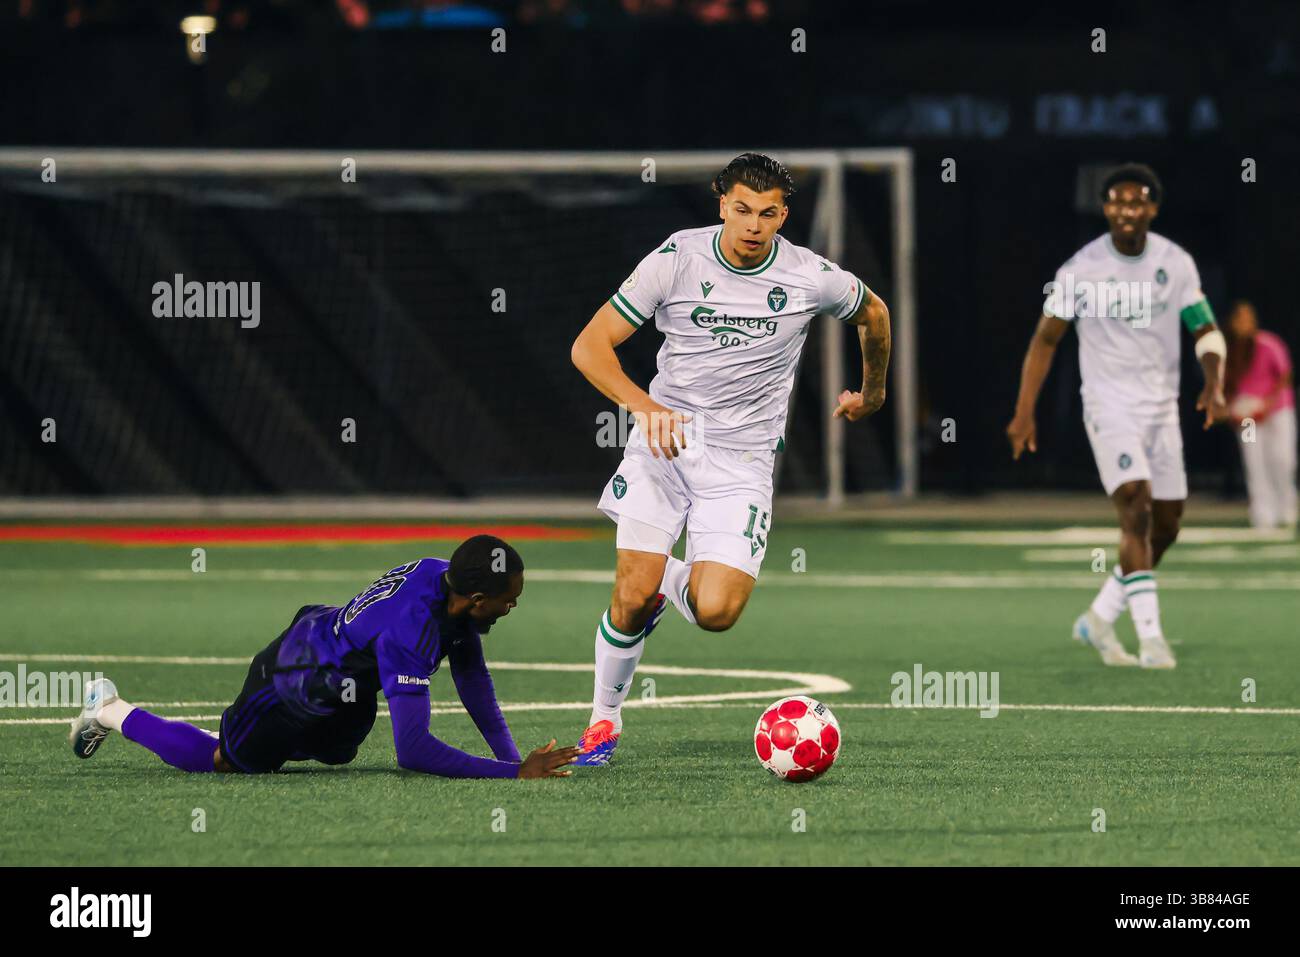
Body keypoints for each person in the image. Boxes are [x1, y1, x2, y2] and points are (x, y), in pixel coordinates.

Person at [568, 152, 891, 764]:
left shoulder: (808, 276)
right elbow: (589, 347)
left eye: (767, 214)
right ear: (722, 205)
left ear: (783, 217)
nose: (753, 225)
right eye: (742, 210)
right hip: (665, 439)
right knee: (629, 596)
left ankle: (662, 578)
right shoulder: (676, 258)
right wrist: (644, 408)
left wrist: (873, 392)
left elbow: (873, 311)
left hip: (742, 460)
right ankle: (603, 720)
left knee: (716, 612)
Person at [69, 535, 579, 779]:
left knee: (340, 751)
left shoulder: (446, 577)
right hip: (291, 679)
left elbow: (472, 677)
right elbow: (414, 751)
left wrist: (514, 757)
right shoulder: (412, 630)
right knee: (224, 760)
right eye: (508, 599)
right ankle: (109, 709)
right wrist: (512, 774)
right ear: (474, 600)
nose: (512, 606)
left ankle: (272, 745)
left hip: (336, 673)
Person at [1007, 163, 1228, 670]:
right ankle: (1152, 639)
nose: (1127, 210)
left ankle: (1100, 616)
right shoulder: (1081, 269)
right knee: (1136, 506)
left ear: (1152, 208)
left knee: (1167, 526)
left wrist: (1215, 384)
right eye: (1118, 202)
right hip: (1108, 404)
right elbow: (1045, 340)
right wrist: (1024, 411)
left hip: (1161, 409)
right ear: (1105, 208)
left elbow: (1205, 330)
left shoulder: (1175, 264)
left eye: (1138, 201)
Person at [1225, 301, 1297, 530]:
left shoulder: (1268, 343)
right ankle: (1262, 511)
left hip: (1277, 410)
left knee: (1283, 459)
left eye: (1247, 318)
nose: (1243, 323)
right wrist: (1232, 409)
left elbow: (1285, 375)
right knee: (1254, 461)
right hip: (1247, 417)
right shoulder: (1229, 350)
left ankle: (1287, 506)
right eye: (1239, 319)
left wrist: (1266, 404)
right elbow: (1226, 386)